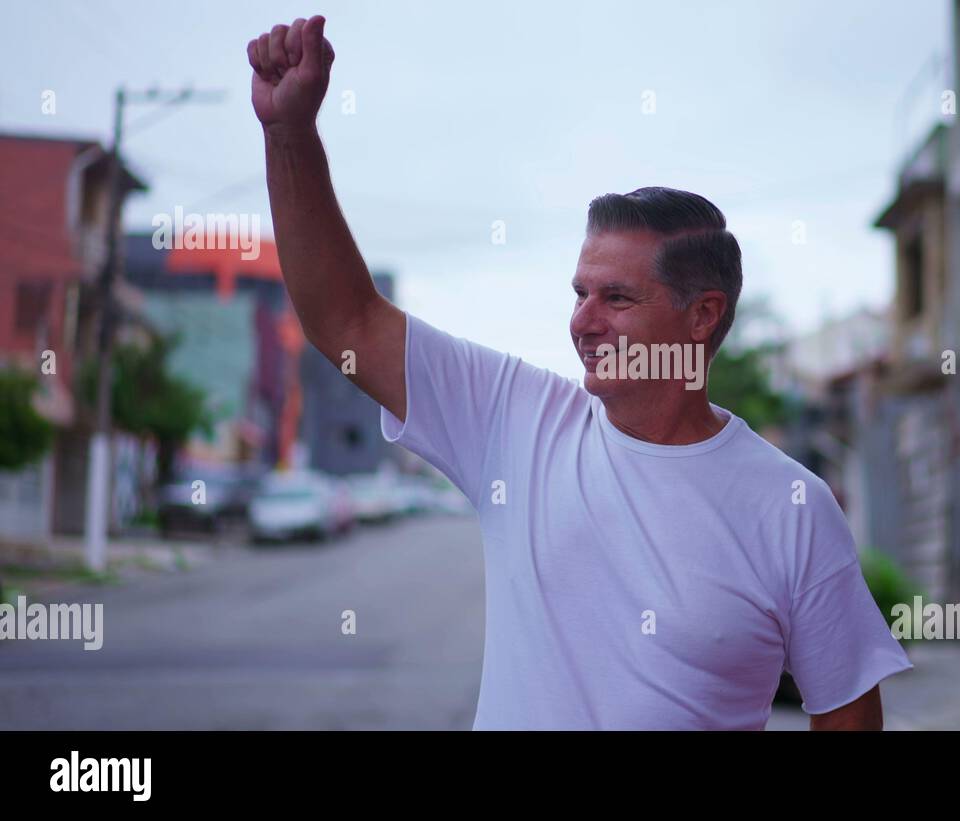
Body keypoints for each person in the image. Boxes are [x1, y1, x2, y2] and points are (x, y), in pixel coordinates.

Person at [247, 15, 912, 730]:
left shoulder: (791, 507)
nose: (584, 321)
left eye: (616, 297)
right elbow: (344, 320)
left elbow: (849, 718)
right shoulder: (514, 420)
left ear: (701, 315)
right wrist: (290, 135)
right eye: (579, 293)